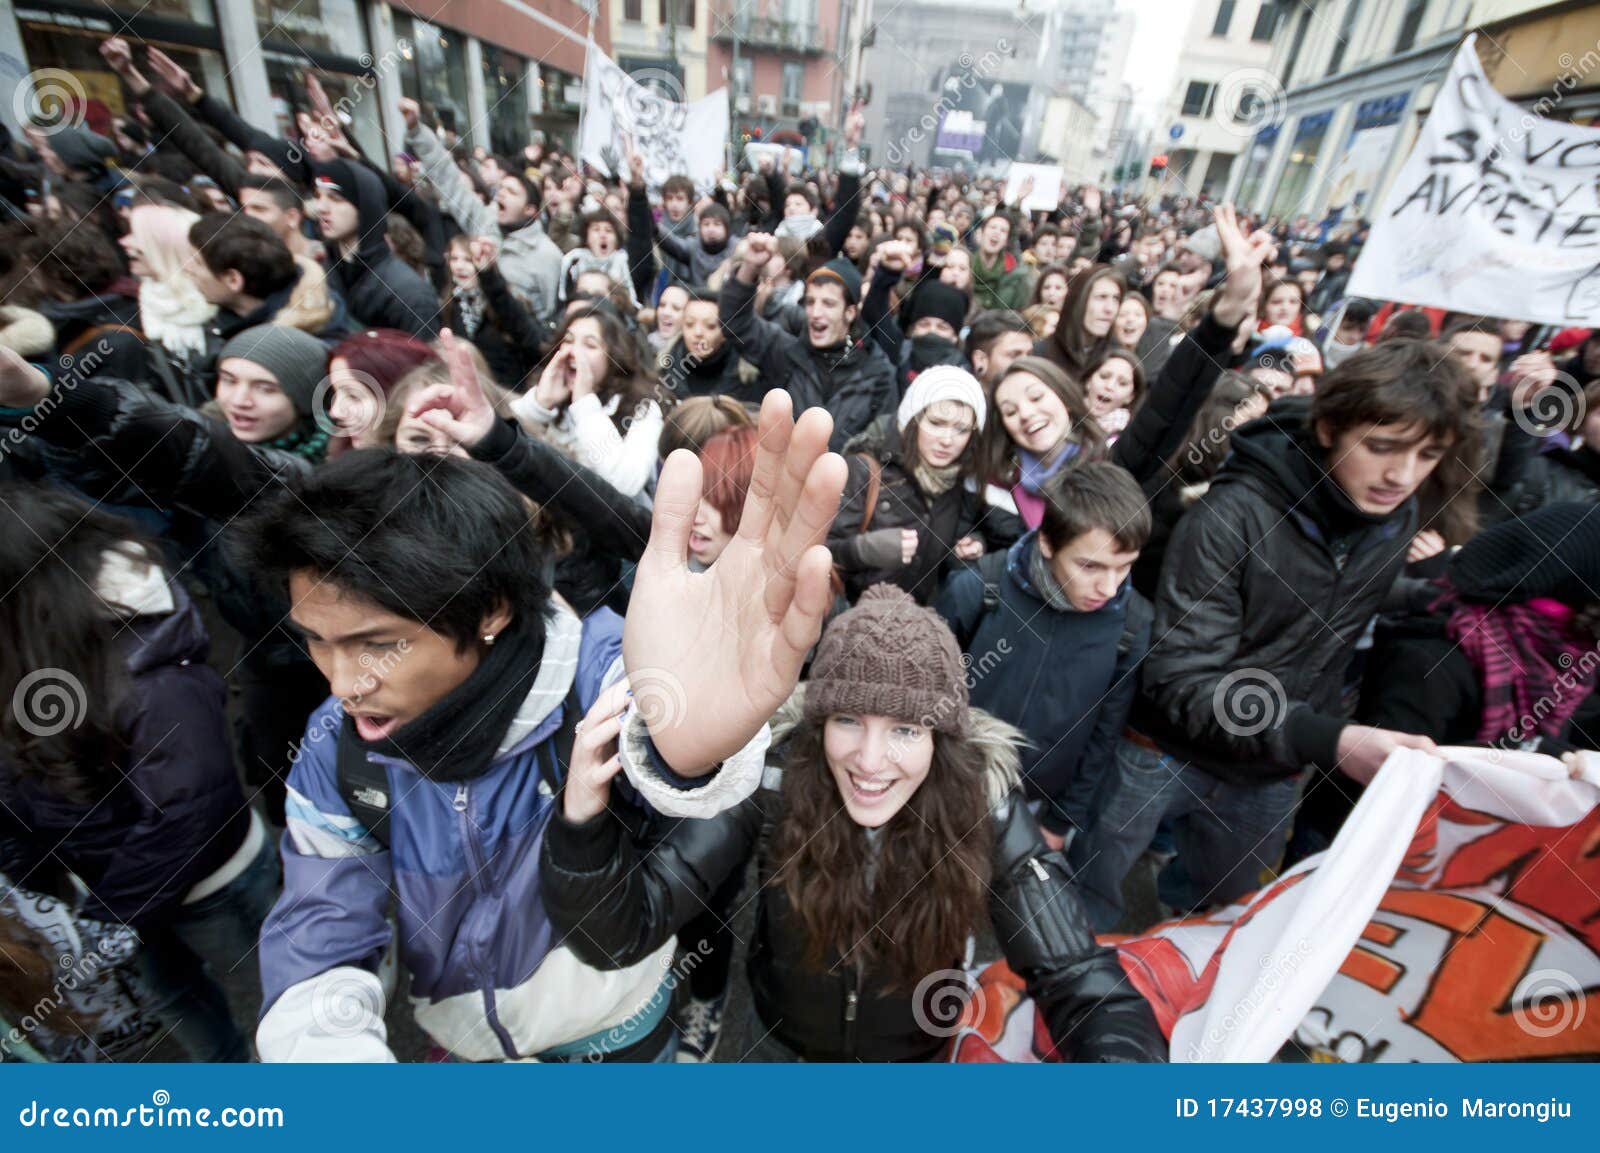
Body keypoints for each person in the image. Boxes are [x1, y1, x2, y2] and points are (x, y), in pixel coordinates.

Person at [249, 385, 849, 1062]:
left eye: (376, 642)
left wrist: (698, 758)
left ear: (491, 610)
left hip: (619, 1037)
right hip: (465, 1047)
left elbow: (683, 749)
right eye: (318, 640)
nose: (342, 682)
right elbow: (321, 925)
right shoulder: (334, 747)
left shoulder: (606, 672)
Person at [539, 584, 1167, 1062]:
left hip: (915, 1056)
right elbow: (615, 935)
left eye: (903, 729)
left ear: (941, 738)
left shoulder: (983, 805)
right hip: (780, 1041)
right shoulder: (773, 782)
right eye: (848, 722)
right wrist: (583, 824)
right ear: (817, 724)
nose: (869, 762)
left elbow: (1078, 976)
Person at [1070, 339, 1484, 930]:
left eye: (1427, 455)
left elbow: (1341, 594)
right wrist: (1326, 739)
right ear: (1327, 428)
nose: (1402, 475)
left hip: (1271, 768)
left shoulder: (1395, 520)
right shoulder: (1230, 516)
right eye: (1383, 447)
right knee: (1088, 907)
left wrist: (1440, 599)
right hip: (1164, 752)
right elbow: (1183, 677)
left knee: (1224, 923)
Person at [0, 486, 278, 1061]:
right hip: (112, 895)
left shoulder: (154, 671)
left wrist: (103, 922)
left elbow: (188, 814)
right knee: (177, 999)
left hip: (215, 889)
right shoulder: (21, 651)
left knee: (288, 999)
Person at [938, 459, 1151, 850]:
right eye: (1090, 566)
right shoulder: (978, 589)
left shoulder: (1131, 625)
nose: (1108, 586)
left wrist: (1061, 821)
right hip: (946, 785)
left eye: (1124, 568)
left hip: (1034, 809)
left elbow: (1104, 735)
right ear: (1047, 542)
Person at [827, 366, 1019, 605]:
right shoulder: (864, 468)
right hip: (855, 619)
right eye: (937, 423)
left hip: (914, 623)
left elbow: (957, 534)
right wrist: (867, 549)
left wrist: (973, 543)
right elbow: (822, 549)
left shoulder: (960, 481)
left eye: (961, 429)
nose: (947, 440)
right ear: (913, 419)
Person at [719, 234, 896, 453]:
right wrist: (750, 266)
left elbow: (883, 445)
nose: (815, 313)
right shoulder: (787, 354)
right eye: (811, 302)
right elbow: (735, 323)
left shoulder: (878, 373)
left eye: (828, 304)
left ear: (849, 313)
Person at [402, 98, 561, 318]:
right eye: (502, 189)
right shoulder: (484, 222)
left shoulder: (547, 255)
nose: (502, 193)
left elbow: (550, 314)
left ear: (530, 210)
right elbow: (449, 179)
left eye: (512, 192)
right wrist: (417, 131)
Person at [508, 303, 664, 498]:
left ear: (614, 357)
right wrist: (540, 404)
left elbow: (626, 483)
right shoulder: (546, 396)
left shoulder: (643, 408)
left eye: (590, 345)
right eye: (569, 341)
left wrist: (584, 404)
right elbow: (501, 441)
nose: (574, 352)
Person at [311, 158, 440, 338]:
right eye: (317, 196)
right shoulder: (317, 273)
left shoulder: (409, 294)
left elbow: (425, 363)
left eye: (335, 198)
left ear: (365, 205)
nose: (321, 207)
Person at [120, 202, 215, 404]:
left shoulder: (217, 310)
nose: (124, 241)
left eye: (136, 235)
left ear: (165, 247)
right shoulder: (143, 302)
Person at [440, 234, 547, 388]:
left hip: (507, 393)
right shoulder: (450, 304)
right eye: (454, 259)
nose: (459, 266)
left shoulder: (503, 300)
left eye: (468, 260)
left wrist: (488, 276)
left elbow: (532, 342)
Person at [969, 211, 1032, 312]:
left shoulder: (1016, 277)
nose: (997, 232)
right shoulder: (965, 267)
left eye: (1003, 231)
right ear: (980, 234)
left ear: (1006, 241)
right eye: (993, 227)